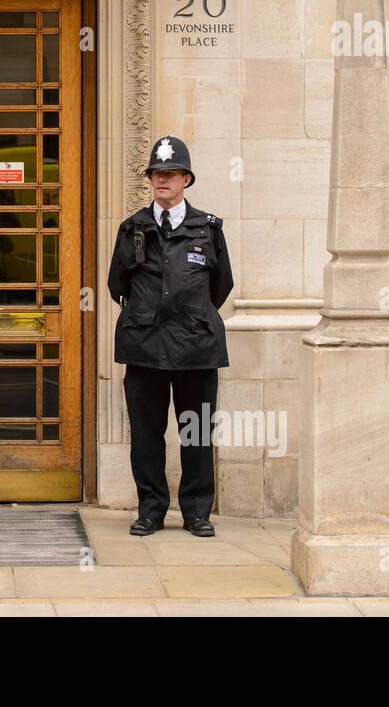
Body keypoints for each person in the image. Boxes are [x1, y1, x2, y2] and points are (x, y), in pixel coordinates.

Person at [107, 134, 233, 538]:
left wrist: (188, 315)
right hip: (145, 346)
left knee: (195, 431)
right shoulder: (132, 229)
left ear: (186, 180)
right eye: (156, 174)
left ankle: (197, 512)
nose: (162, 180)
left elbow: (221, 287)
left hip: (196, 346)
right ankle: (151, 510)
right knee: (146, 434)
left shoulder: (208, 229)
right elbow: (117, 284)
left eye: (170, 173)